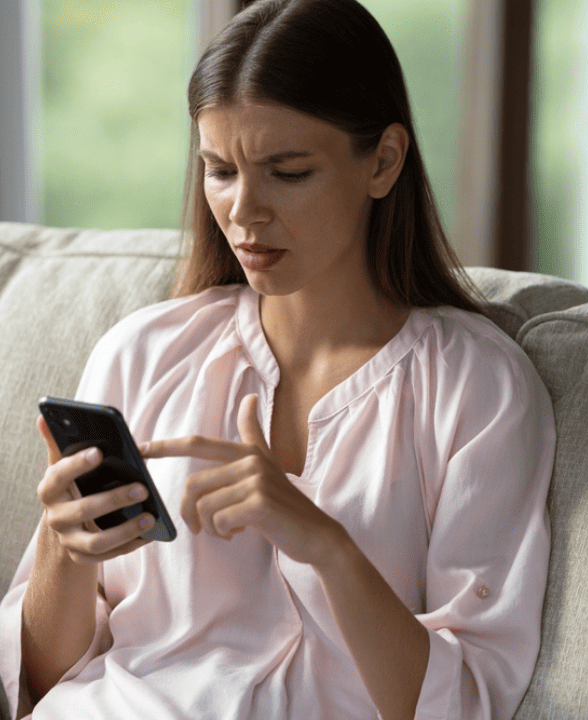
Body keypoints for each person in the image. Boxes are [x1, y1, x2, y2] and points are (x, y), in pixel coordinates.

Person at [0, 1, 555, 718]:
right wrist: (63, 551)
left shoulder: (476, 387)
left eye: (287, 171)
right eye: (219, 170)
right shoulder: (140, 353)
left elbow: (467, 701)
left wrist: (323, 542)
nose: (243, 211)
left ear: (383, 161)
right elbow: (39, 682)